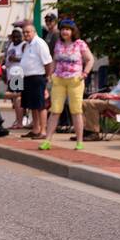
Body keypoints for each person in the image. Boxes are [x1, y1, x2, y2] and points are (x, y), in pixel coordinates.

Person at [38, 19, 94, 151]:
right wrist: (49, 74)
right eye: (63, 29)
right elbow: (54, 61)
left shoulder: (80, 44)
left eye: (67, 29)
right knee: (55, 110)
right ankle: (47, 140)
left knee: (76, 111)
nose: (65, 31)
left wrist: (85, 73)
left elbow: (90, 59)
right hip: (59, 80)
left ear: (73, 31)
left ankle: (79, 141)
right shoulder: (58, 43)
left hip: (75, 80)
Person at [82, 59, 120, 141]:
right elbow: (111, 94)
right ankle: (87, 130)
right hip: (111, 104)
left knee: (90, 103)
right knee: (84, 103)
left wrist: (111, 96)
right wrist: (100, 95)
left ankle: (93, 133)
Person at [18, 22, 53, 139]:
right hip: (28, 77)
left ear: (34, 32)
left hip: (38, 77)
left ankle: (43, 131)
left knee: (40, 105)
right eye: (24, 32)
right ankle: (35, 129)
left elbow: (48, 62)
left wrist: (47, 77)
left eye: (28, 32)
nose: (26, 34)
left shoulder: (39, 43)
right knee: (32, 105)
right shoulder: (27, 45)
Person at [4, 29, 26, 128]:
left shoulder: (23, 45)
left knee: (17, 98)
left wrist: (16, 59)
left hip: (18, 74)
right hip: (11, 74)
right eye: (14, 37)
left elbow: (27, 58)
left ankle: (20, 121)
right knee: (14, 100)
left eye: (18, 37)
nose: (16, 39)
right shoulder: (11, 44)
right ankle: (18, 119)